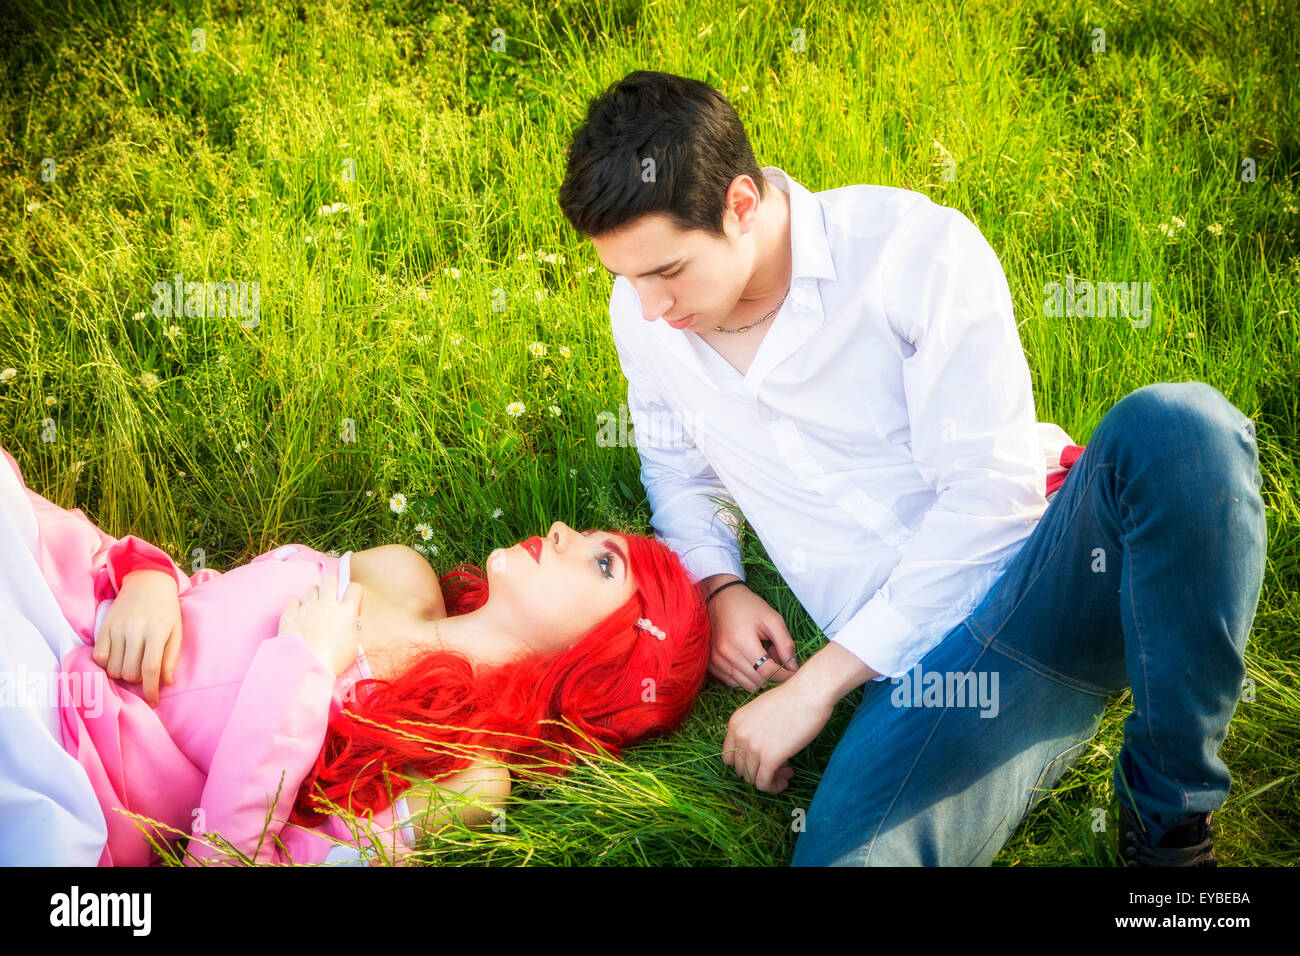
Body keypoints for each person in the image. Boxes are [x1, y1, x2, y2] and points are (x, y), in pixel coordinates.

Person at [556, 70, 1267, 865]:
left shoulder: (911, 251)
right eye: (626, 278)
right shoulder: (646, 319)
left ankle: (1169, 822)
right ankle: (1034, 730)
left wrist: (817, 685)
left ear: (742, 204)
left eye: (667, 272)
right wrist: (718, 585)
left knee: (1181, 429)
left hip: (1056, 570)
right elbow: (678, 471)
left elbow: (990, 499)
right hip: (923, 674)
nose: (650, 308)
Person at [0, 445, 710, 866]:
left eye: (602, 564)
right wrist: (146, 576)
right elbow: (208, 598)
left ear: (611, 661)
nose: (561, 531)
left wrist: (302, 671)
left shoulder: (467, 777)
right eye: (589, 534)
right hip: (57, 600)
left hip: (61, 760)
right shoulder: (400, 572)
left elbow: (236, 858)